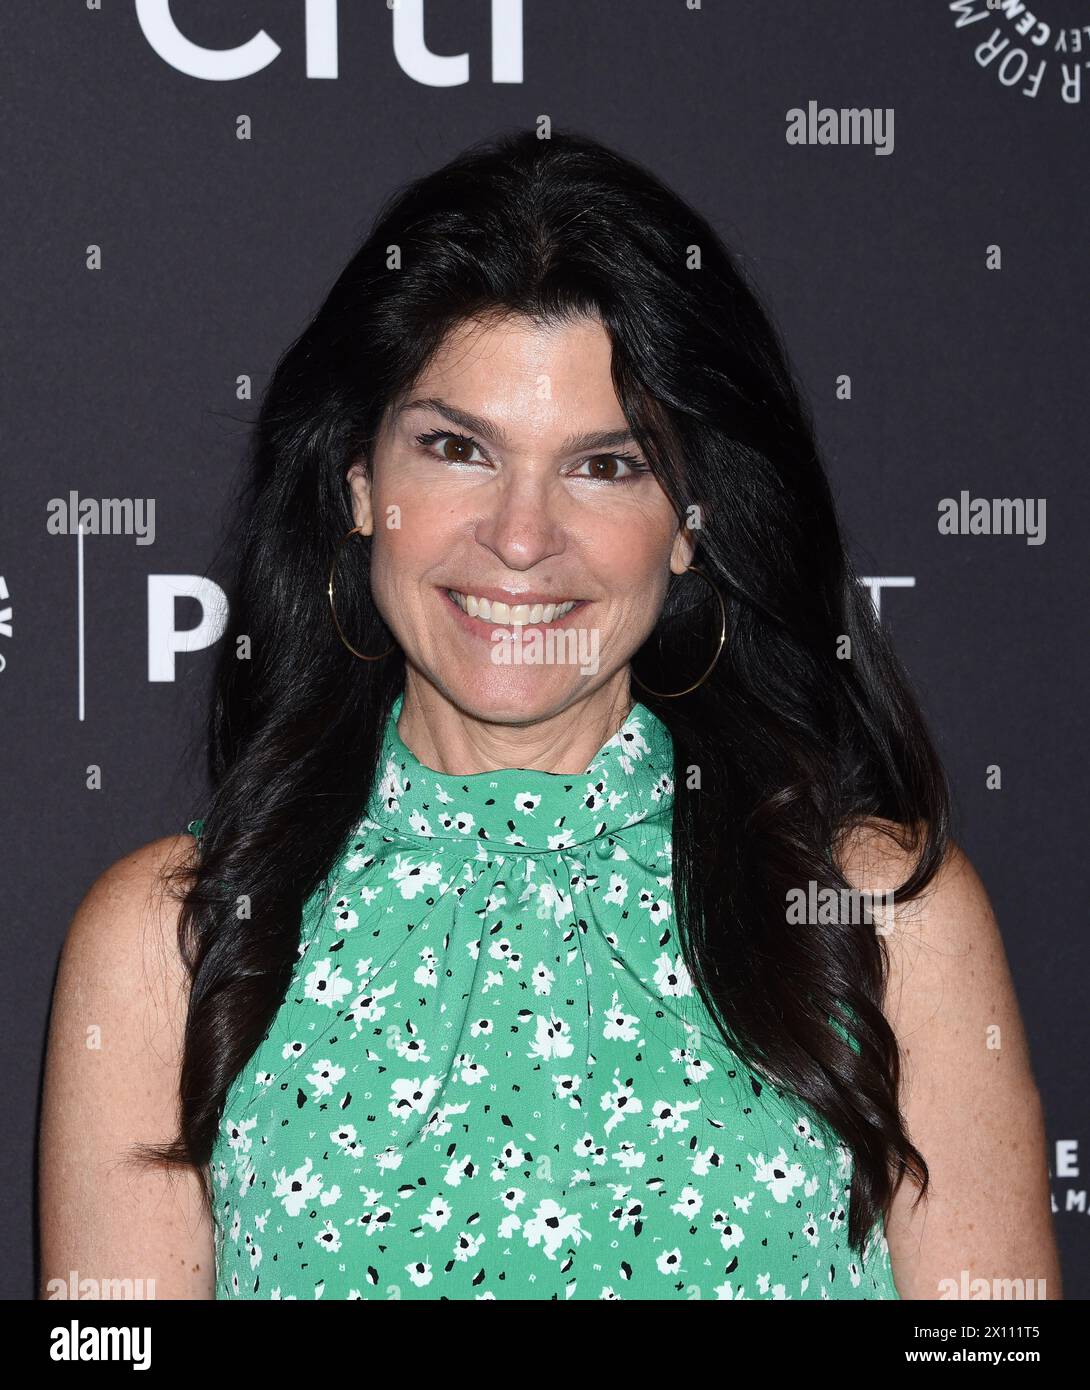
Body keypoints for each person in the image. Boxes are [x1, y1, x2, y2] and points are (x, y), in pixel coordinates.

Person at [38, 128, 1060, 1301]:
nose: (521, 538)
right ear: (360, 483)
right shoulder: (167, 943)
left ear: (691, 523)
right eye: (456, 448)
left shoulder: (879, 912)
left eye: (605, 465)